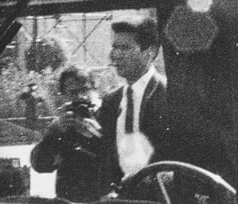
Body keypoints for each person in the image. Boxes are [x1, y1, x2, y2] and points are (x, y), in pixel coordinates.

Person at [99, 16, 169, 187]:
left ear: (150, 52)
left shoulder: (170, 96)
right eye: (114, 47)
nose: (115, 55)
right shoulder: (110, 102)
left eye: (125, 48)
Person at [29, 66, 107, 201]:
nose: (80, 97)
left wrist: (95, 132)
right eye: (73, 92)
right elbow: (40, 166)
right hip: (69, 196)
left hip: (101, 196)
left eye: (84, 90)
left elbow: (114, 159)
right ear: (64, 96)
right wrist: (54, 133)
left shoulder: (106, 115)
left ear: (94, 90)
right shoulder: (62, 124)